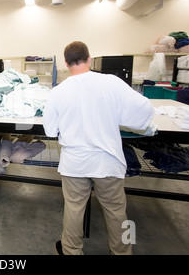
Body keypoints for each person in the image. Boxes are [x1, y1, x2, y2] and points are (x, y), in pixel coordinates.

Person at [43, 41, 154, 255]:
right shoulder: (111, 82)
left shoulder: (57, 91)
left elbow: (49, 130)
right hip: (108, 162)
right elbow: (144, 111)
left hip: (74, 163)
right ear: (90, 59)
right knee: (117, 212)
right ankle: (123, 252)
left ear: (66, 63)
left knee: (74, 209)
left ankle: (71, 251)